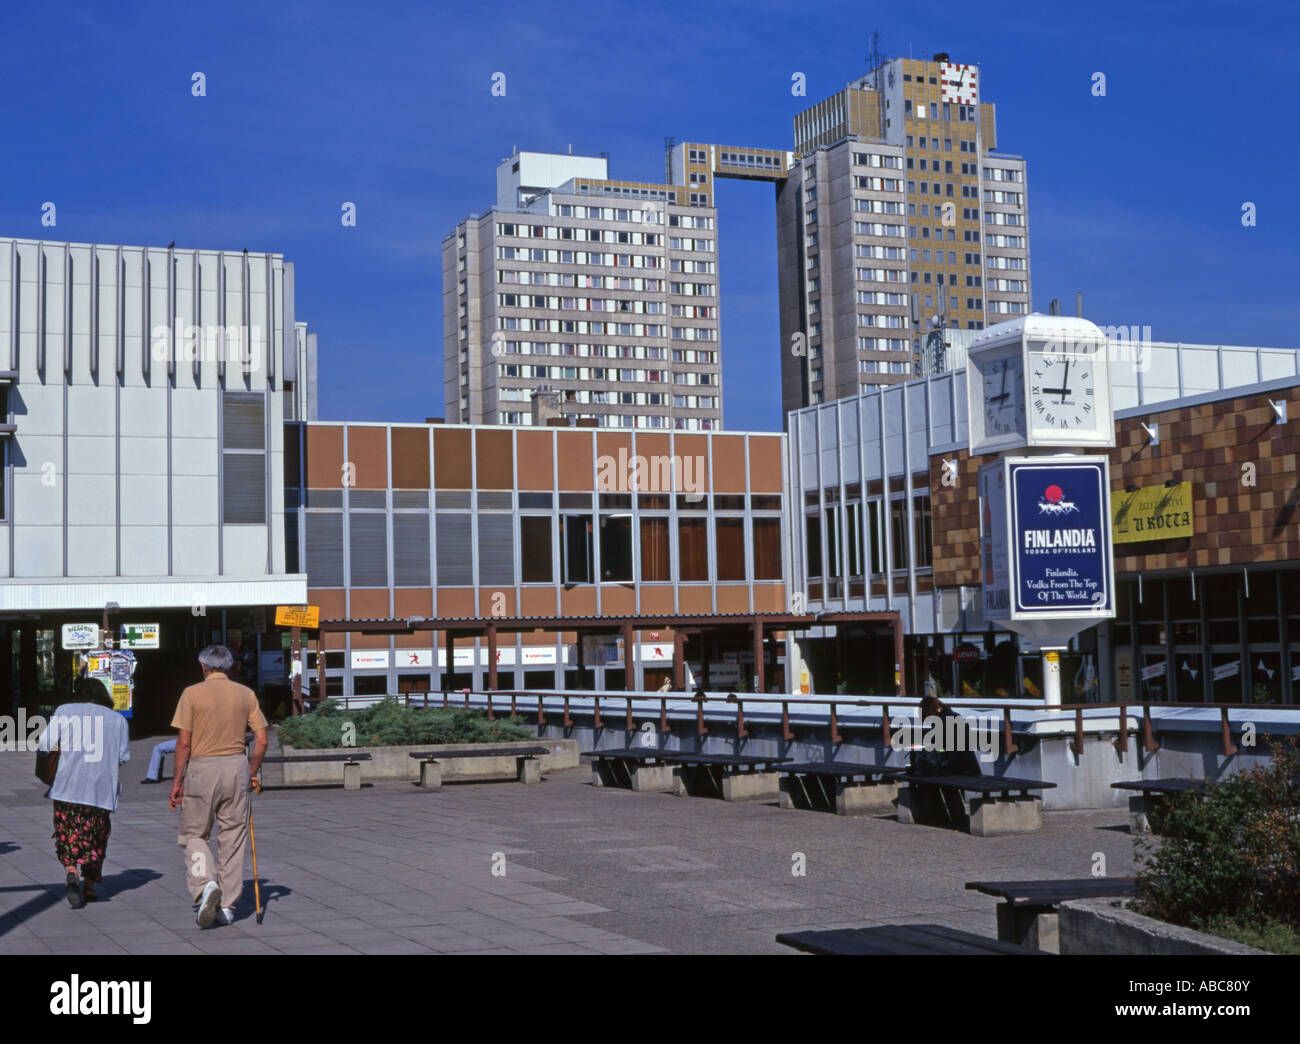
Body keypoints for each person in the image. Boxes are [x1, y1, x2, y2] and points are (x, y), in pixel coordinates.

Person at [168, 645, 268, 928]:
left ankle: (204, 884)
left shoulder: (191, 694)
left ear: (203, 666)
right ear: (230, 666)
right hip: (236, 766)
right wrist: (251, 771)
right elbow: (261, 740)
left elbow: (184, 743)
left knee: (194, 834)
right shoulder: (245, 694)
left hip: (202, 768)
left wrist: (177, 782)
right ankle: (227, 906)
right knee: (233, 837)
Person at [36, 678, 131, 908]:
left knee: (67, 832)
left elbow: (45, 743)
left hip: (67, 787)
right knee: (96, 837)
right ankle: (89, 887)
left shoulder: (65, 711)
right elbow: (123, 757)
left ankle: (71, 872)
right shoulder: (117, 719)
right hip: (100, 792)